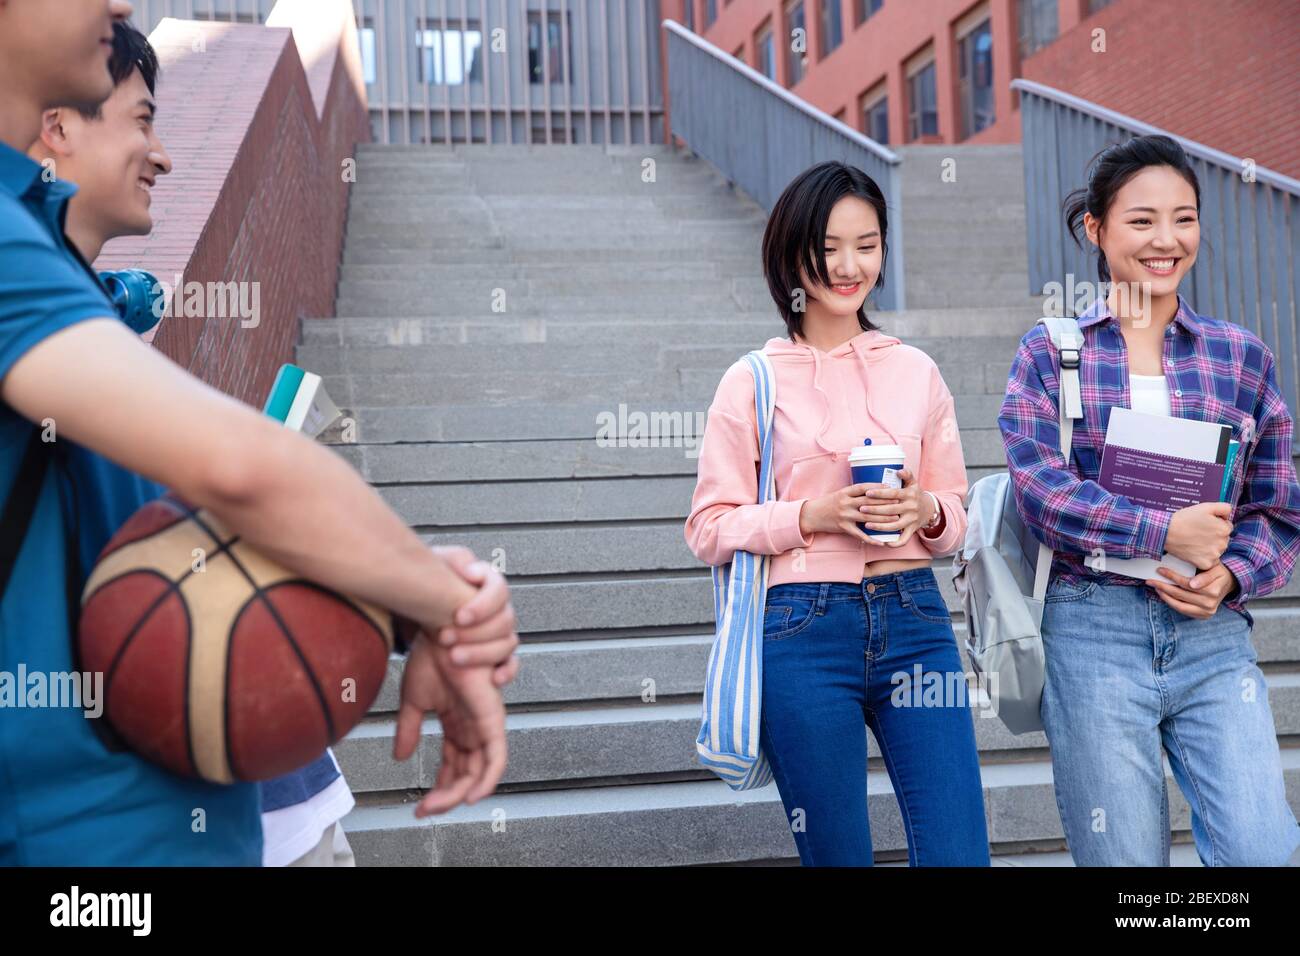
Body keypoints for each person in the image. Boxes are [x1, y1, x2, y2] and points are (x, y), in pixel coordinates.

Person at [0, 0, 518, 865]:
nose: (122, 4)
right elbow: (241, 472)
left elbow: (194, 518)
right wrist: (443, 602)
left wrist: (404, 604)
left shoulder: (38, 241)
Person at [999, 133, 1300, 866]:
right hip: (1091, 635)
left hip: (1212, 637)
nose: (1166, 240)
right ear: (1095, 230)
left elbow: (1280, 505)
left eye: (1184, 218)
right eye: (1141, 221)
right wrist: (1162, 528)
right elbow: (1040, 489)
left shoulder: (1239, 355)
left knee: (1263, 851)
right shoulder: (1051, 351)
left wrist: (1230, 573)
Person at [685, 161, 989, 866]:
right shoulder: (751, 381)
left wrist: (926, 510)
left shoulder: (916, 371)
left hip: (914, 619)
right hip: (800, 630)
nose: (850, 265)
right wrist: (809, 516)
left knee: (959, 854)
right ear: (792, 253)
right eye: (829, 247)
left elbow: (961, 516)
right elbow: (708, 526)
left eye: (868, 243)